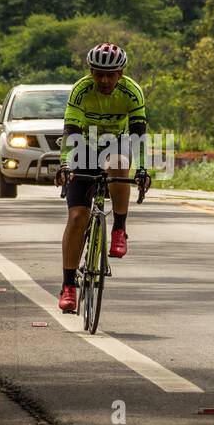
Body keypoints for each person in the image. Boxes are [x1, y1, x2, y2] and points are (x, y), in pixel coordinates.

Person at [55, 43, 152, 313]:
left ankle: (119, 228)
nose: (105, 80)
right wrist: (64, 163)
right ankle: (68, 286)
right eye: (99, 74)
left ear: (121, 73)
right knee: (77, 218)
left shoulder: (132, 92)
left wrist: (142, 168)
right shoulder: (81, 90)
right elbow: (71, 130)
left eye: (111, 74)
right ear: (91, 72)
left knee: (120, 163)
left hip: (116, 144)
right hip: (83, 146)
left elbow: (138, 135)